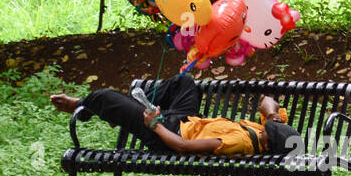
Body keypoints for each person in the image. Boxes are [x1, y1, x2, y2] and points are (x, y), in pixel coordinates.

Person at [49, 74, 297, 155]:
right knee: (184, 82)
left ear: (266, 142)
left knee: (105, 96)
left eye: (268, 129)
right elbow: (267, 100)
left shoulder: (239, 142)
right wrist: (274, 118)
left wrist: (154, 123)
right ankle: (123, 111)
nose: (266, 125)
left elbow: (182, 146)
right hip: (185, 119)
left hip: (166, 134)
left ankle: (82, 105)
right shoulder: (272, 132)